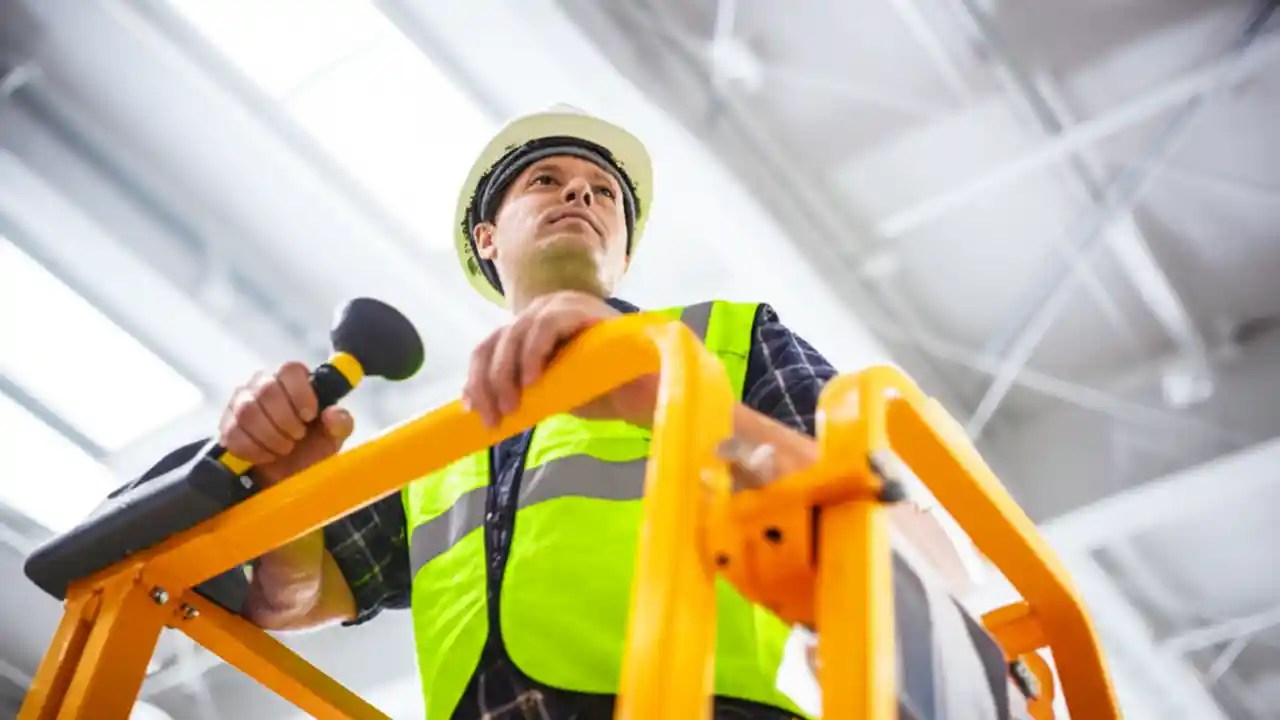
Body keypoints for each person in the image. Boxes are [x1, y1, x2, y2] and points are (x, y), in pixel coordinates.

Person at [168, 106, 1012, 718]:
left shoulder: (721, 341)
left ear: (624, 252)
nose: (581, 196)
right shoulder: (442, 437)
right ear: (487, 240)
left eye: (604, 193)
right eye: (546, 181)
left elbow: (921, 553)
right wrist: (291, 495)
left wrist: (665, 400)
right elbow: (288, 602)